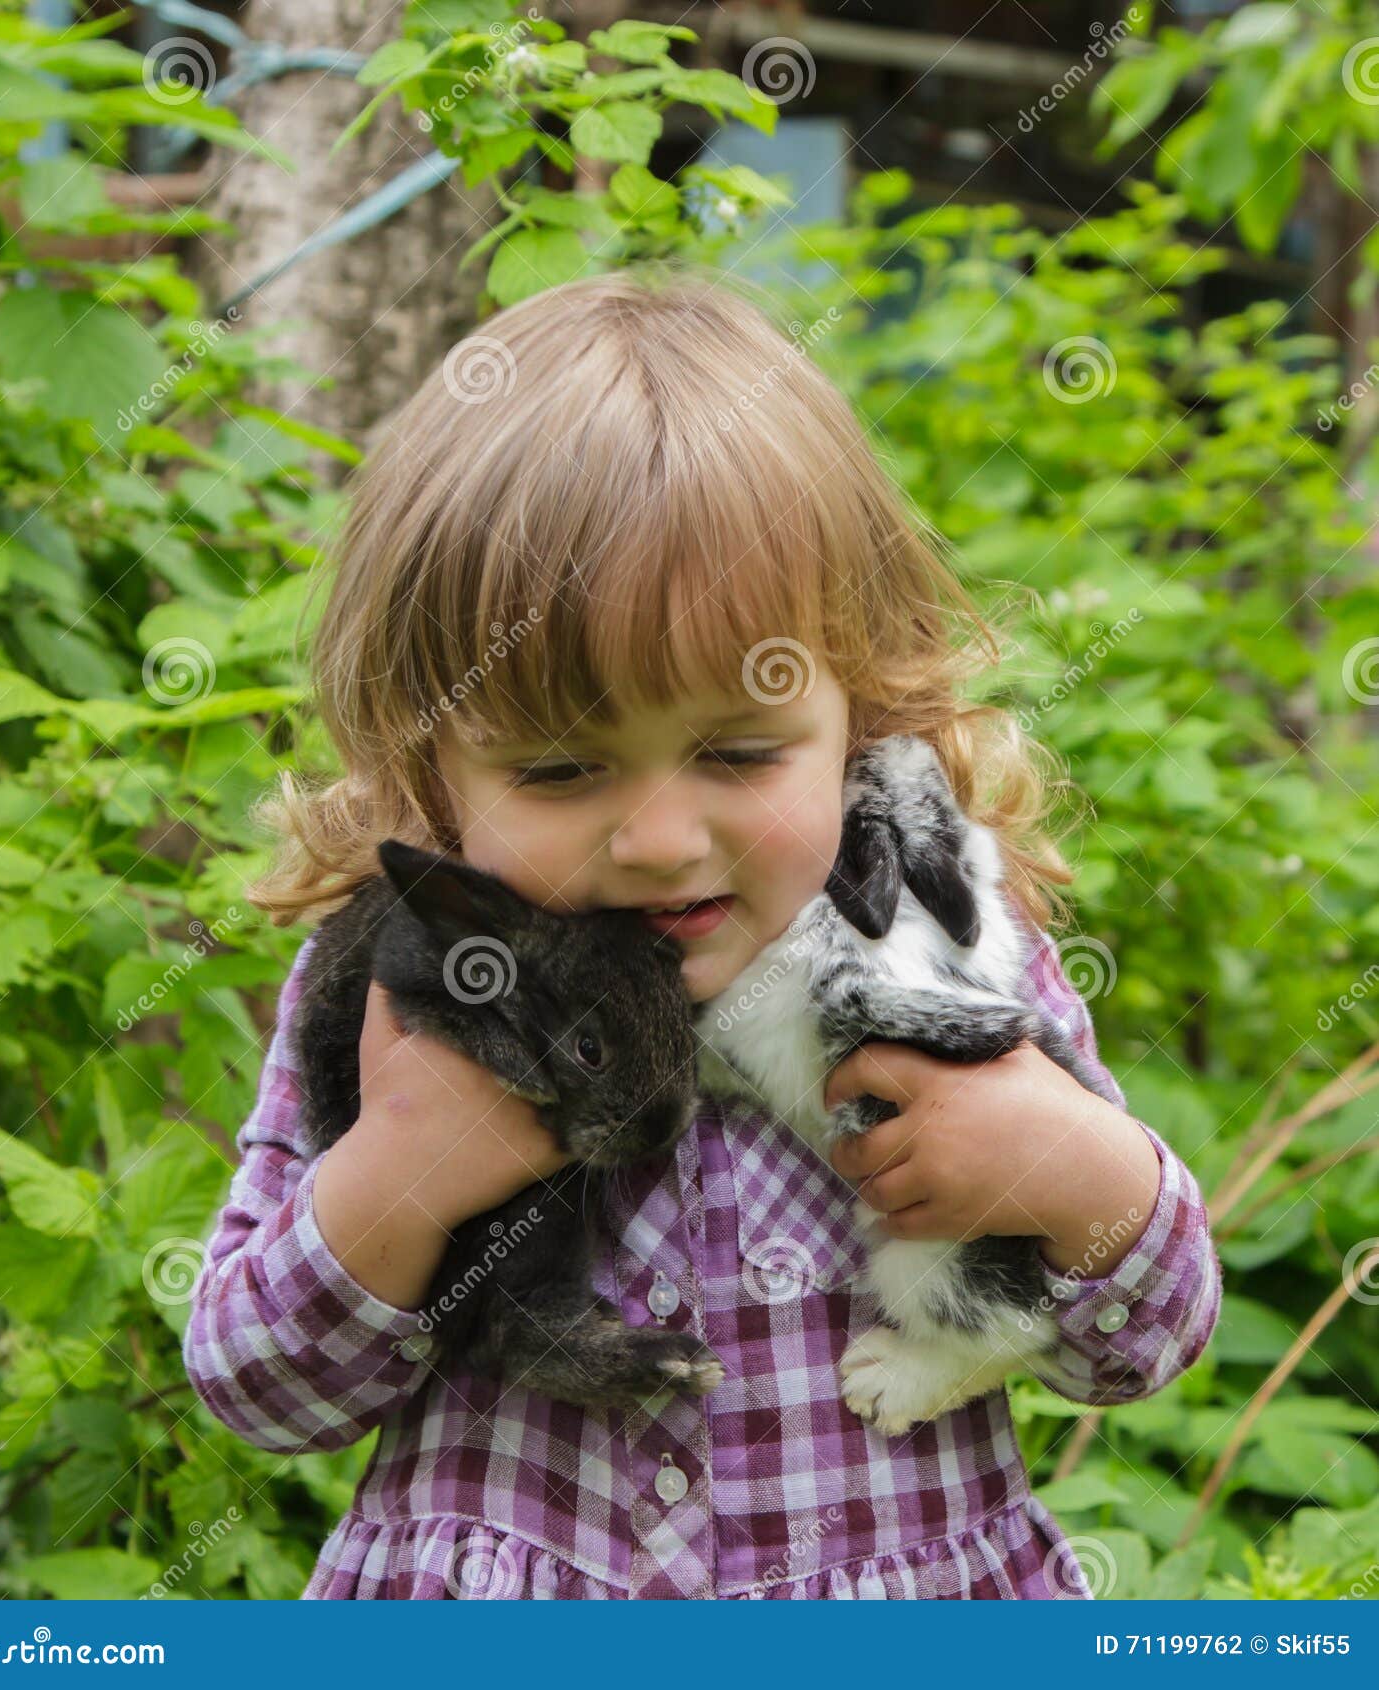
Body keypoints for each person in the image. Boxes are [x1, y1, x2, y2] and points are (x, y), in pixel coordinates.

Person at [183, 267, 1222, 1600]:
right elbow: (258, 1390)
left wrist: (1069, 1171)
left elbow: (1134, 1347)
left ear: (865, 706)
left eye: (737, 750)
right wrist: (400, 1173)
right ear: (426, 763)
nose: (661, 839)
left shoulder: (932, 946)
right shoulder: (420, 997)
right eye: (560, 773)